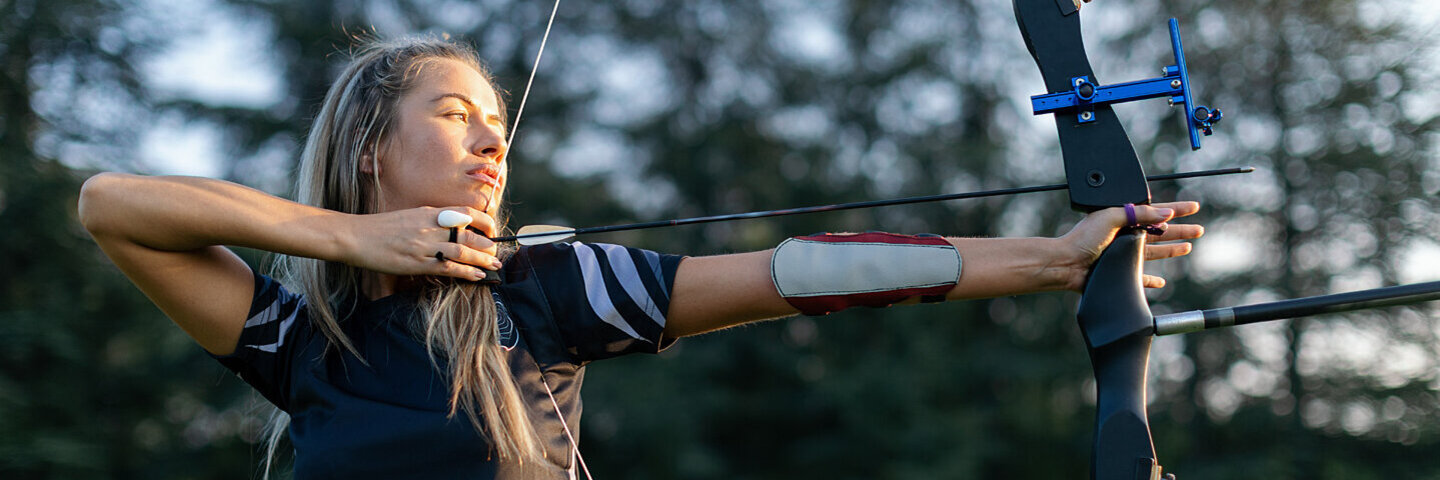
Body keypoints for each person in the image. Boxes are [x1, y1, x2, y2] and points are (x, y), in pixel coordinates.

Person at [78, 36, 1201, 479]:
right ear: (370, 150)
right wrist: (343, 240)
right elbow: (111, 204)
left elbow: (793, 273)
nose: (492, 139)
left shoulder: (542, 291)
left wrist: (1052, 261)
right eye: (457, 114)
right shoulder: (295, 340)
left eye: (496, 125)